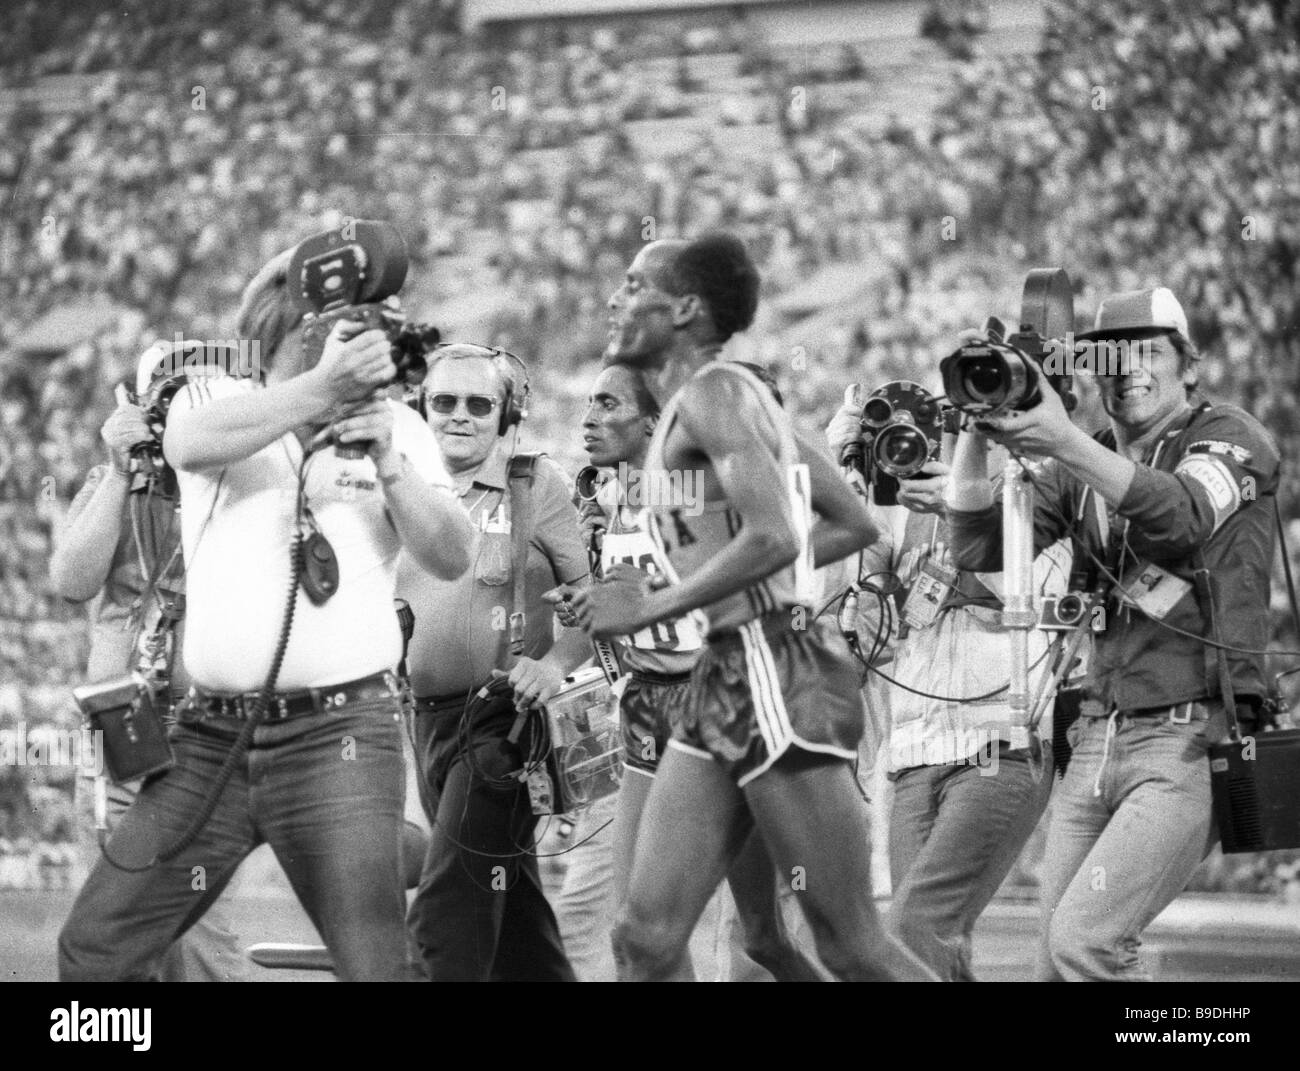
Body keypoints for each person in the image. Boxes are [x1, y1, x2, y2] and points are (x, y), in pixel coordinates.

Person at [57, 248, 475, 982]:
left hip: (338, 730)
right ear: (303, 326)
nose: (376, 340)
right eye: (359, 321)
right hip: (208, 735)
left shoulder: (399, 427)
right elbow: (190, 442)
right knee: (97, 950)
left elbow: (451, 554)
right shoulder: (205, 396)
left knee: (377, 966)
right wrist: (320, 391)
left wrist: (390, 462)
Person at [572, 233, 935, 982]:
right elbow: (851, 524)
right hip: (725, 670)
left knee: (850, 943)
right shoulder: (724, 399)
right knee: (643, 937)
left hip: (774, 667)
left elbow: (775, 532)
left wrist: (653, 605)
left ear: (685, 309)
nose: (615, 298)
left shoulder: (715, 393)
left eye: (634, 283)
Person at [946, 287, 1280, 981]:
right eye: (1112, 356)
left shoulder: (1233, 437)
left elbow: (1184, 516)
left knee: (1085, 942)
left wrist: (1064, 441)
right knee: (1052, 965)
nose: (1128, 369)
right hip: (1096, 739)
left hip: (1186, 740)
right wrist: (977, 430)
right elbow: (977, 546)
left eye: (1149, 352)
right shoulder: (1085, 460)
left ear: (1190, 367)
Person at [568, 361, 820, 981]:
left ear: (659, 423)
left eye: (608, 405)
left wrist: (654, 600)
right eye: (589, 403)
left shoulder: (704, 490)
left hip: (727, 695)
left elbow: (793, 547)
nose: (589, 419)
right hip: (649, 705)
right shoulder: (613, 497)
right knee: (641, 932)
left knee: (763, 939)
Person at [825, 396, 1070, 980]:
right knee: (939, 949)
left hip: (1000, 745)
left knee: (915, 929)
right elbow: (867, 632)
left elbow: (1036, 598)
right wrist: (844, 475)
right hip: (914, 753)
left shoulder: (1033, 494)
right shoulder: (900, 521)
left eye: (962, 433)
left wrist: (961, 510)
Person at [50, 342, 247, 982]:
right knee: (114, 913)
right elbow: (73, 579)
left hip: (198, 724)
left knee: (181, 918)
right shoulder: (112, 483)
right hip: (118, 719)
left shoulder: (239, 488)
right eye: (169, 400)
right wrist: (118, 467)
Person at [401, 343, 591, 982]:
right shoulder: (401, 487)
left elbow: (603, 599)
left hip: (502, 728)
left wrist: (558, 662)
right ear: (420, 408)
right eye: (443, 402)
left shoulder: (536, 483)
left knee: (447, 909)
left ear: (507, 414)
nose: (458, 416)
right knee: (517, 930)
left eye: (478, 404)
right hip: (421, 724)